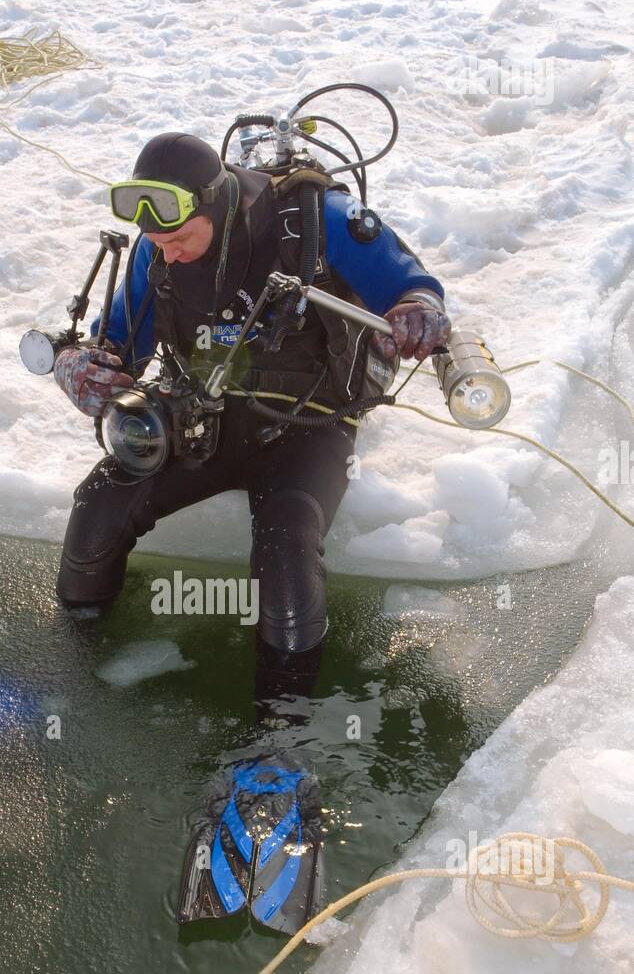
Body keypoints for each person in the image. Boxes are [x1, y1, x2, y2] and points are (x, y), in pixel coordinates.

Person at [53, 132, 450, 701]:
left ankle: (281, 729)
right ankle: (71, 666)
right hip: (203, 412)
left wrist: (419, 312)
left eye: (179, 239)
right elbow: (120, 344)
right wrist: (82, 365)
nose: (166, 252)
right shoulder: (155, 247)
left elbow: (413, 286)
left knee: (286, 544)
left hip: (309, 421)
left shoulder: (317, 217)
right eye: (155, 241)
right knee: (100, 500)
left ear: (214, 205)